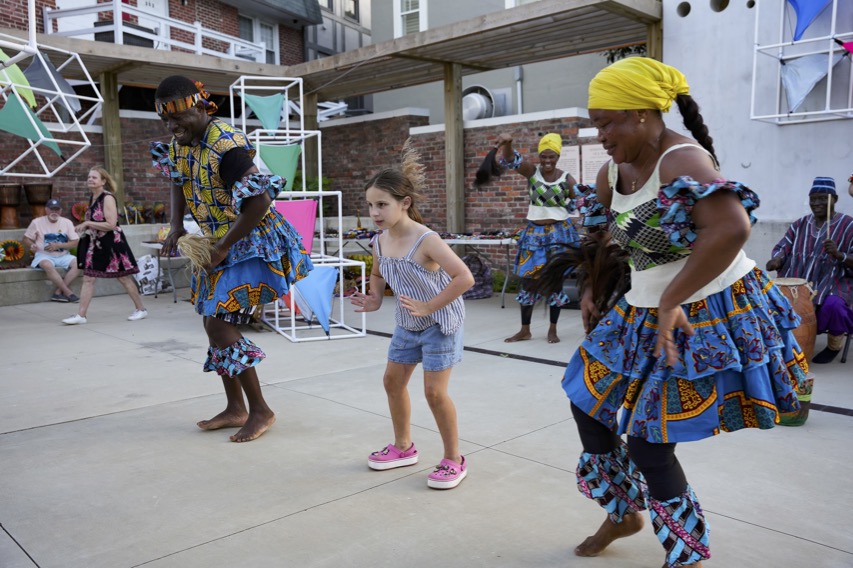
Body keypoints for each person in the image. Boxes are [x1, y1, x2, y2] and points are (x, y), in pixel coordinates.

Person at [551, 58, 806, 567]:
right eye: (596, 123)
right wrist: (590, 287)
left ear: (644, 114)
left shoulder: (682, 160)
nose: (600, 135)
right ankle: (623, 512)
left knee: (650, 441)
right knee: (587, 397)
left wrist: (671, 300)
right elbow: (601, 238)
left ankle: (686, 551)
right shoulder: (610, 171)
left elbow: (730, 229)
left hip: (708, 306)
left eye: (608, 122)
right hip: (646, 307)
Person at [151, 75, 313, 443]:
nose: (173, 127)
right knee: (213, 323)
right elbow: (178, 178)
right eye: (166, 122)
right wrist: (176, 225)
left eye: (179, 119)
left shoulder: (227, 145)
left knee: (221, 326)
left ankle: (260, 410)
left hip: (250, 238)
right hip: (218, 239)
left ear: (200, 107)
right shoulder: (181, 143)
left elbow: (258, 203)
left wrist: (222, 246)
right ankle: (236, 408)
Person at [350, 141, 474, 489]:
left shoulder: (426, 240)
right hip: (408, 322)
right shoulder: (379, 240)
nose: (375, 212)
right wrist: (374, 299)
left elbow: (464, 277)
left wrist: (430, 306)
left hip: (440, 323)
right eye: (371, 205)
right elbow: (377, 273)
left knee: (435, 393)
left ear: (404, 203)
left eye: (382, 205)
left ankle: (454, 459)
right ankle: (403, 447)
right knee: (392, 382)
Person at [496, 132, 580, 344]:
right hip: (534, 235)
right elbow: (511, 160)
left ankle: (552, 329)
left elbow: (580, 202)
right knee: (527, 281)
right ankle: (525, 330)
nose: (547, 161)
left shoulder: (567, 179)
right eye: (544, 156)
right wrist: (507, 144)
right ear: (539, 156)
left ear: (558, 156)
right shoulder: (533, 173)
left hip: (558, 235)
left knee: (555, 283)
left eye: (551, 156)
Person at [766, 176, 853, 364]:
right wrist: (777, 259)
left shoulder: (849, 225)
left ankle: (833, 345)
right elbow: (784, 246)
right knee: (773, 300)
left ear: (834, 199)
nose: (817, 203)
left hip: (834, 279)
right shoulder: (800, 224)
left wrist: (839, 255)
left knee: (834, 306)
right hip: (799, 278)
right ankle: (789, 342)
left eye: (823, 198)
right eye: (813, 199)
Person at [62, 168, 148, 325]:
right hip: (97, 244)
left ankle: (141, 309)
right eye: (89, 177)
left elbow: (111, 224)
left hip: (112, 244)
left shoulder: (107, 197)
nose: (90, 179)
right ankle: (81, 315)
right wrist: (86, 227)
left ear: (103, 181)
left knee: (123, 277)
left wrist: (87, 223)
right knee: (88, 278)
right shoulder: (93, 197)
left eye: (94, 177)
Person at [22, 198, 80, 303]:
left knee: (79, 263)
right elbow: (26, 239)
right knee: (47, 265)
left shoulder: (67, 222)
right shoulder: (37, 222)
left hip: (63, 255)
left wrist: (59, 245)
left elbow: (75, 242)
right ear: (46, 210)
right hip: (43, 255)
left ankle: (58, 292)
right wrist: (31, 245)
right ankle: (67, 292)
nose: (54, 212)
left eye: (57, 209)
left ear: (61, 211)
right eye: (52, 209)